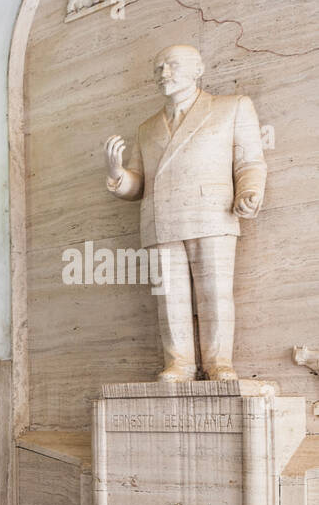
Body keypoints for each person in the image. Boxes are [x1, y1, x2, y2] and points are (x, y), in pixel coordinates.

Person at [104, 44, 266, 382]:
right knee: (169, 299)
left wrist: (249, 191)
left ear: (197, 69)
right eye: (157, 68)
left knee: (215, 293)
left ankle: (219, 362)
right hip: (161, 218)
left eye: (171, 65)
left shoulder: (231, 107)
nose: (163, 73)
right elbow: (137, 185)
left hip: (213, 213)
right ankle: (179, 363)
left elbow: (249, 161)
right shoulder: (146, 128)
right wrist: (117, 174)